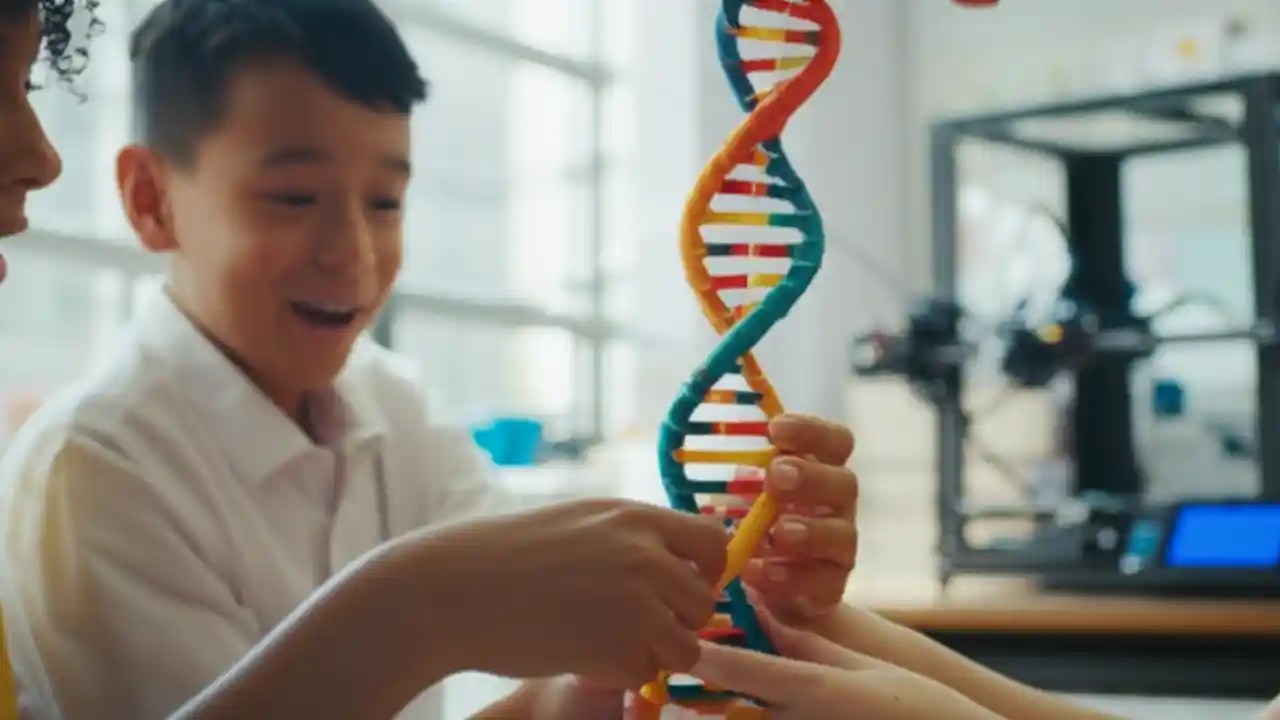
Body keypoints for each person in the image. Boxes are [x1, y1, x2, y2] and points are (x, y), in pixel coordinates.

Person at [0, 0, 860, 718]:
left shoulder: (392, 404)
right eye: (293, 196)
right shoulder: (95, 468)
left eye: (386, 201)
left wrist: (691, 602)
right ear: (152, 200)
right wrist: (422, 610)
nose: (354, 254)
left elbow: (538, 679)